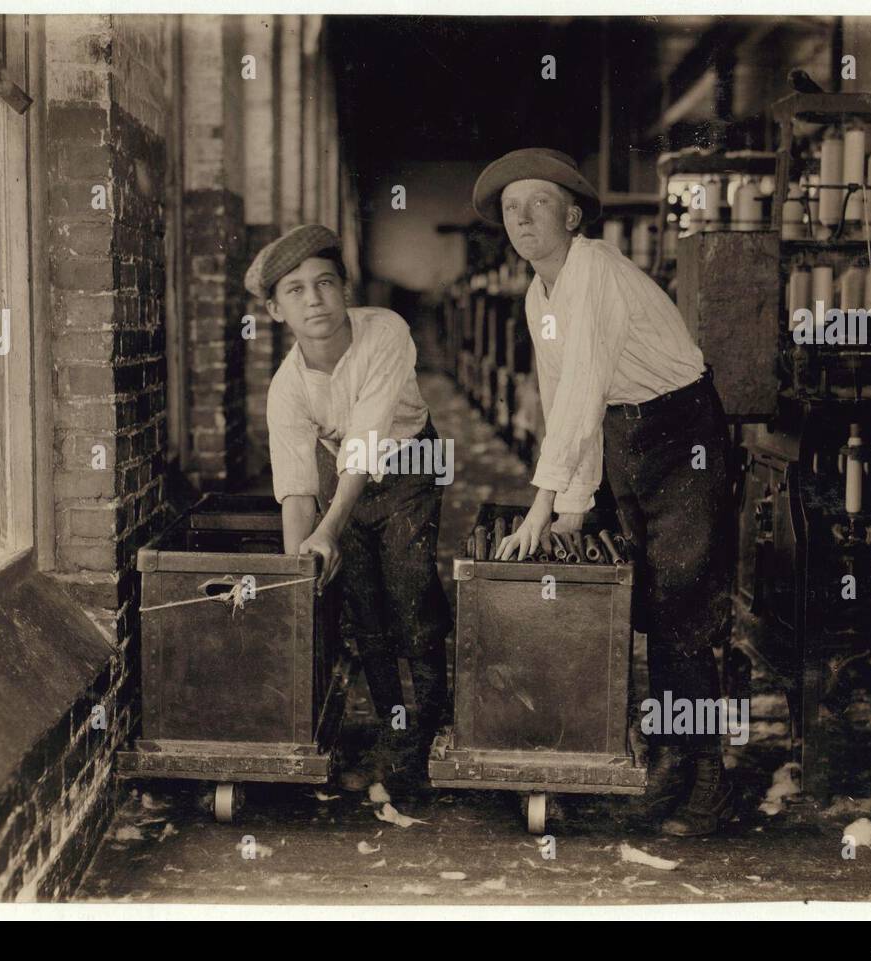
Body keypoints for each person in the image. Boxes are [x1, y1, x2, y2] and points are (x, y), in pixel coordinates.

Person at [471, 148, 735, 835]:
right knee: (648, 604)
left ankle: (707, 781)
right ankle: (670, 758)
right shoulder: (538, 295)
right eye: (511, 208)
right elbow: (560, 399)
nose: (523, 218)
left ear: (572, 216)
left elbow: (583, 390)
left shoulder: (595, 271)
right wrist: (570, 506)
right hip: (628, 433)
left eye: (539, 203)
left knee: (682, 612)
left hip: (683, 432)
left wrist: (544, 506)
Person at [247, 224, 452, 785]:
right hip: (338, 470)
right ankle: (394, 725)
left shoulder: (386, 331)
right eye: (295, 290)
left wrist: (330, 526)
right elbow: (295, 487)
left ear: (345, 289)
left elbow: (367, 440)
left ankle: (431, 720)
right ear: (275, 310)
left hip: (409, 460)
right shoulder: (287, 389)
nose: (314, 300)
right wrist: (299, 576)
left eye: (325, 283)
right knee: (362, 599)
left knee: (409, 586)